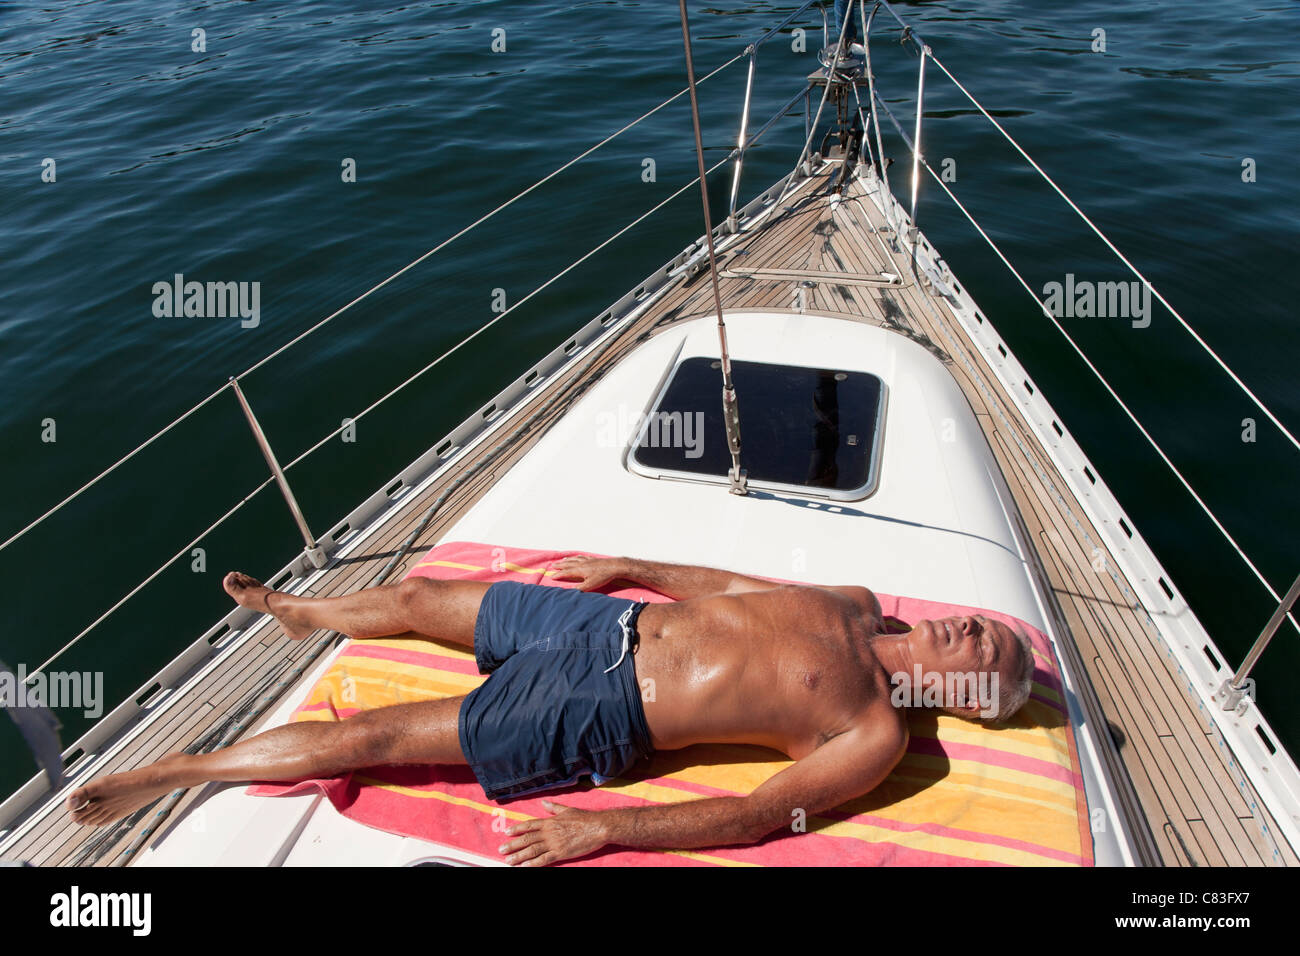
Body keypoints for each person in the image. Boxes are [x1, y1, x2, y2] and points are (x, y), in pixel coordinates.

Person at [66, 554, 1035, 866]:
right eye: (981, 624)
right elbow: (739, 585)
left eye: (983, 648)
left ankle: (171, 768)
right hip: (614, 619)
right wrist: (638, 566)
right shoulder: (861, 602)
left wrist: (600, 833)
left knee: (371, 739)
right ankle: (301, 611)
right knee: (414, 597)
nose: (966, 627)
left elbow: (755, 812)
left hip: (602, 699)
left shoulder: (869, 732)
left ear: (971, 699)